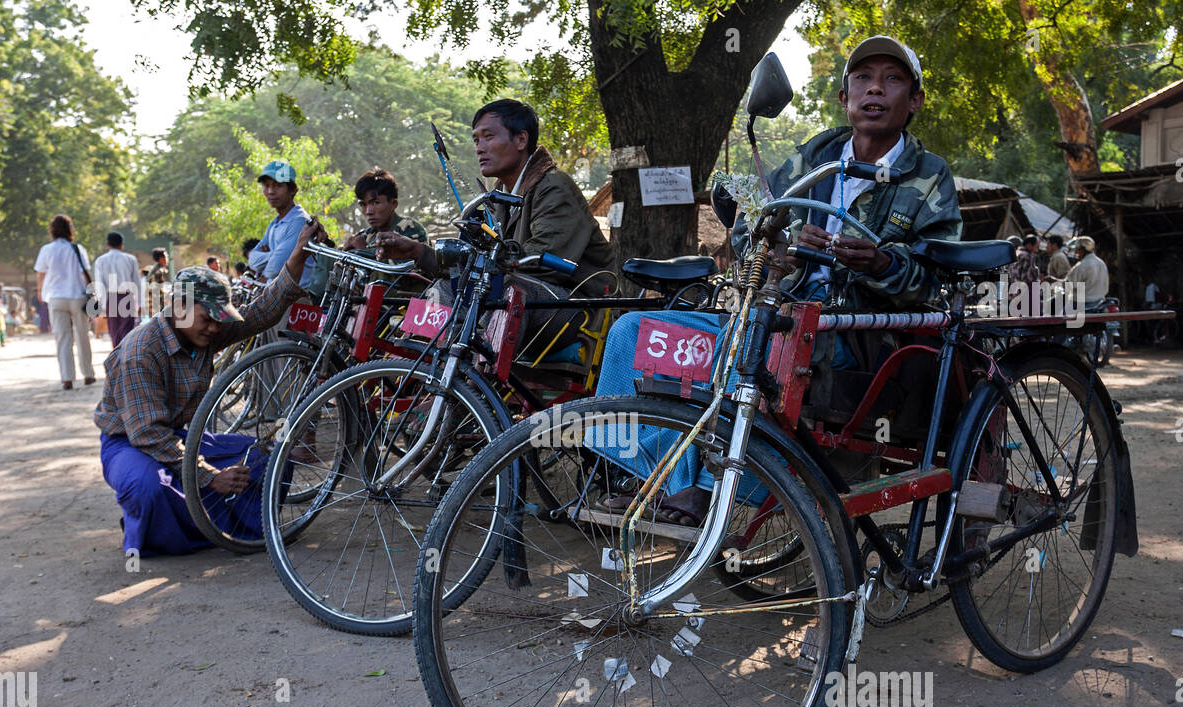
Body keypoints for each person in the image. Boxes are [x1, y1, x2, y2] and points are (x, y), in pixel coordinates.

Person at [596, 34, 963, 522]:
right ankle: (659, 477)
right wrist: (777, 250)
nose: (875, 89)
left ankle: (709, 488)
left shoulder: (930, 176)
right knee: (634, 333)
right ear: (844, 97)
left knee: (754, 351)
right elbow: (754, 225)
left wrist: (881, 264)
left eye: (892, 79)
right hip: (779, 314)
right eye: (863, 79)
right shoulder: (814, 157)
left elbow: (938, 277)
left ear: (914, 100)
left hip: (861, 335)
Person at [93, 218, 327, 557]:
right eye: (208, 318)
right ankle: (168, 524)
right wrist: (208, 476)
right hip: (129, 445)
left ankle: (210, 524)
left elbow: (262, 312)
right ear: (179, 307)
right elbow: (147, 435)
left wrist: (298, 255)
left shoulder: (204, 332)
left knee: (272, 459)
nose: (216, 328)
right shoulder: (139, 351)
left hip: (178, 439)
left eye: (220, 319)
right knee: (148, 489)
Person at [378, 99, 616, 357]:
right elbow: (475, 261)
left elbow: (541, 263)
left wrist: (477, 263)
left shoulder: (553, 187)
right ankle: (423, 374)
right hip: (533, 301)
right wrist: (418, 252)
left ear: (521, 140)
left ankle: (468, 384)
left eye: (488, 137)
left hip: (580, 310)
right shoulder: (499, 196)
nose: (479, 148)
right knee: (445, 286)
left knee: (500, 286)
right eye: (476, 140)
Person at [34, 214, 96, 389]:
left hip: (56, 297)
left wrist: (40, 292)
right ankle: (88, 374)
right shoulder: (77, 248)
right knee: (83, 335)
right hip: (77, 296)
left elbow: (41, 274)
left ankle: (67, 378)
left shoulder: (46, 249)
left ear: (52, 230)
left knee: (62, 337)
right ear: (70, 230)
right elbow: (85, 273)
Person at [246, 162, 316, 289]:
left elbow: (274, 268)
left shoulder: (299, 222)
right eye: (266, 186)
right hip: (274, 295)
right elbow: (252, 259)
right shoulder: (274, 224)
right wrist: (275, 254)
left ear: (293, 190)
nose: (271, 191)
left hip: (294, 300)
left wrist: (270, 259)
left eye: (278, 185)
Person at [343, 167, 428, 251]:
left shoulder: (410, 229)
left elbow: (407, 263)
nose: (369, 212)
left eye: (376, 203)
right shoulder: (365, 235)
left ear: (393, 204)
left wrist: (363, 252)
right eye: (363, 204)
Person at [94, 231, 143, 350]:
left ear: (107, 244)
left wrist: (102, 306)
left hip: (110, 299)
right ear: (122, 244)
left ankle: (117, 359)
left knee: (114, 331)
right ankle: (127, 358)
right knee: (128, 330)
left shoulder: (100, 260)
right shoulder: (130, 259)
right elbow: (137, 283)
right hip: (127, 298)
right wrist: (140, 303)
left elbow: (100, 285)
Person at [1063, 235, 1110, 311]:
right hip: (1099, 302)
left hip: (1080, 303)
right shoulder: (1102, 263)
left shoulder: (1081, 265)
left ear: (1083, 250)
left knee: (1059, 314)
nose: (1077, 253)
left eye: (1078, 250)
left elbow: (1068, 285)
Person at [145, 248, 172, 316]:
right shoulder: (158, 271)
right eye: (166, 257)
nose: (167, 258)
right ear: (161, 258)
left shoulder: (158, 268)